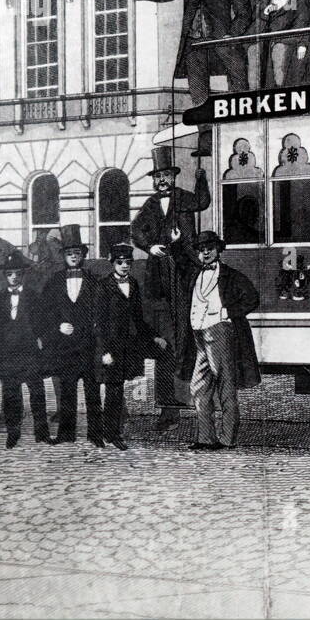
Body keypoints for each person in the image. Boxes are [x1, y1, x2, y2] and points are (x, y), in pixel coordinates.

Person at [132, 0, 252, 157]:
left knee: (238, 89)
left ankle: (241, 134)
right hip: (195, 45)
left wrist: (231, 35)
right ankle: (206, 140)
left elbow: (245, 14)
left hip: (222, 44)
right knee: (199, 97)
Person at [131, 146, 210, 431]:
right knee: (165, 342)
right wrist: (151, 246)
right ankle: (168, 410)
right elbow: (135, 231)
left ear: (172, 177)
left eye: (166, 175)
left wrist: (201, 176)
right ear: (154, 181)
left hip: (185, 272)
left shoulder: (183, 198)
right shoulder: (151, 204)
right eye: (158, 176)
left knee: (188, 338)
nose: (162, 180)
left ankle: (195, 403)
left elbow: (203, 201)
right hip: (160, 277)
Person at [173, 230, 261, 450]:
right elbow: (180, 263)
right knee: (198, 388)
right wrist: (175, 243)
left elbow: (252, 299)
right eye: (201, 250)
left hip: (221, 333)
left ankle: (228, 439)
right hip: (199, 336)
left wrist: (227, 312)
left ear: (218, 250)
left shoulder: (231, 276)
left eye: (209, 249)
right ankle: (206, 438)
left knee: (225, 388)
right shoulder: (194, 274)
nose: (205, 253)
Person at [94, 243, 165, 451]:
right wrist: (105, 351)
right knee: (113, 389)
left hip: (129, 345)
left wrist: (154, 337)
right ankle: (111, 434)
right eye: (120, 262)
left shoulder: (133, 284)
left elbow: (138, 318)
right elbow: (98, 322)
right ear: (112, 263)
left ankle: (114, 430)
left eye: (128, 262)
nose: (125, 266)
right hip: (110, 346)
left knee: (120, 387)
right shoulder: (103, 286)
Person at [40, 225, 103, 448]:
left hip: (88, 343)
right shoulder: (54, 281)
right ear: (64, 256)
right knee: (67, 389)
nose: (73, 257)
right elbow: (44, 313)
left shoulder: (95, 281)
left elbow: (101, 310)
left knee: (92, 389)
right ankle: (66, 433)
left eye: (77, 253)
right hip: (65, 346)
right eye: (69, 253)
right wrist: (58, 326)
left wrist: (95, 326)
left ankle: (96, 434)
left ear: (83, 255)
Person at [0, 250, 52, 448]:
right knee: (11, 394)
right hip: (8, 353)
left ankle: (42, 433)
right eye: (9, 274)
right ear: (5, 276)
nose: (13, 277)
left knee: (37, 392)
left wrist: (40, 339)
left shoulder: (33, 296)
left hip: (30, 351)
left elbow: (43, 321)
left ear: (23, 274)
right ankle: (12, 433)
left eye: (17, 273)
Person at [255, 0, 302, 88]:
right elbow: (258, 20)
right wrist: (265, 12)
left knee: (279, 54)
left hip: (287, 42)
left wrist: (281, 39)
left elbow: (301, 25)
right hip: (267, 41)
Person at [239, 0, 263, 91]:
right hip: (238, 42)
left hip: (251, 41)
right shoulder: (235, 3)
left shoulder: (260, 2)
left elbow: (257, 23)